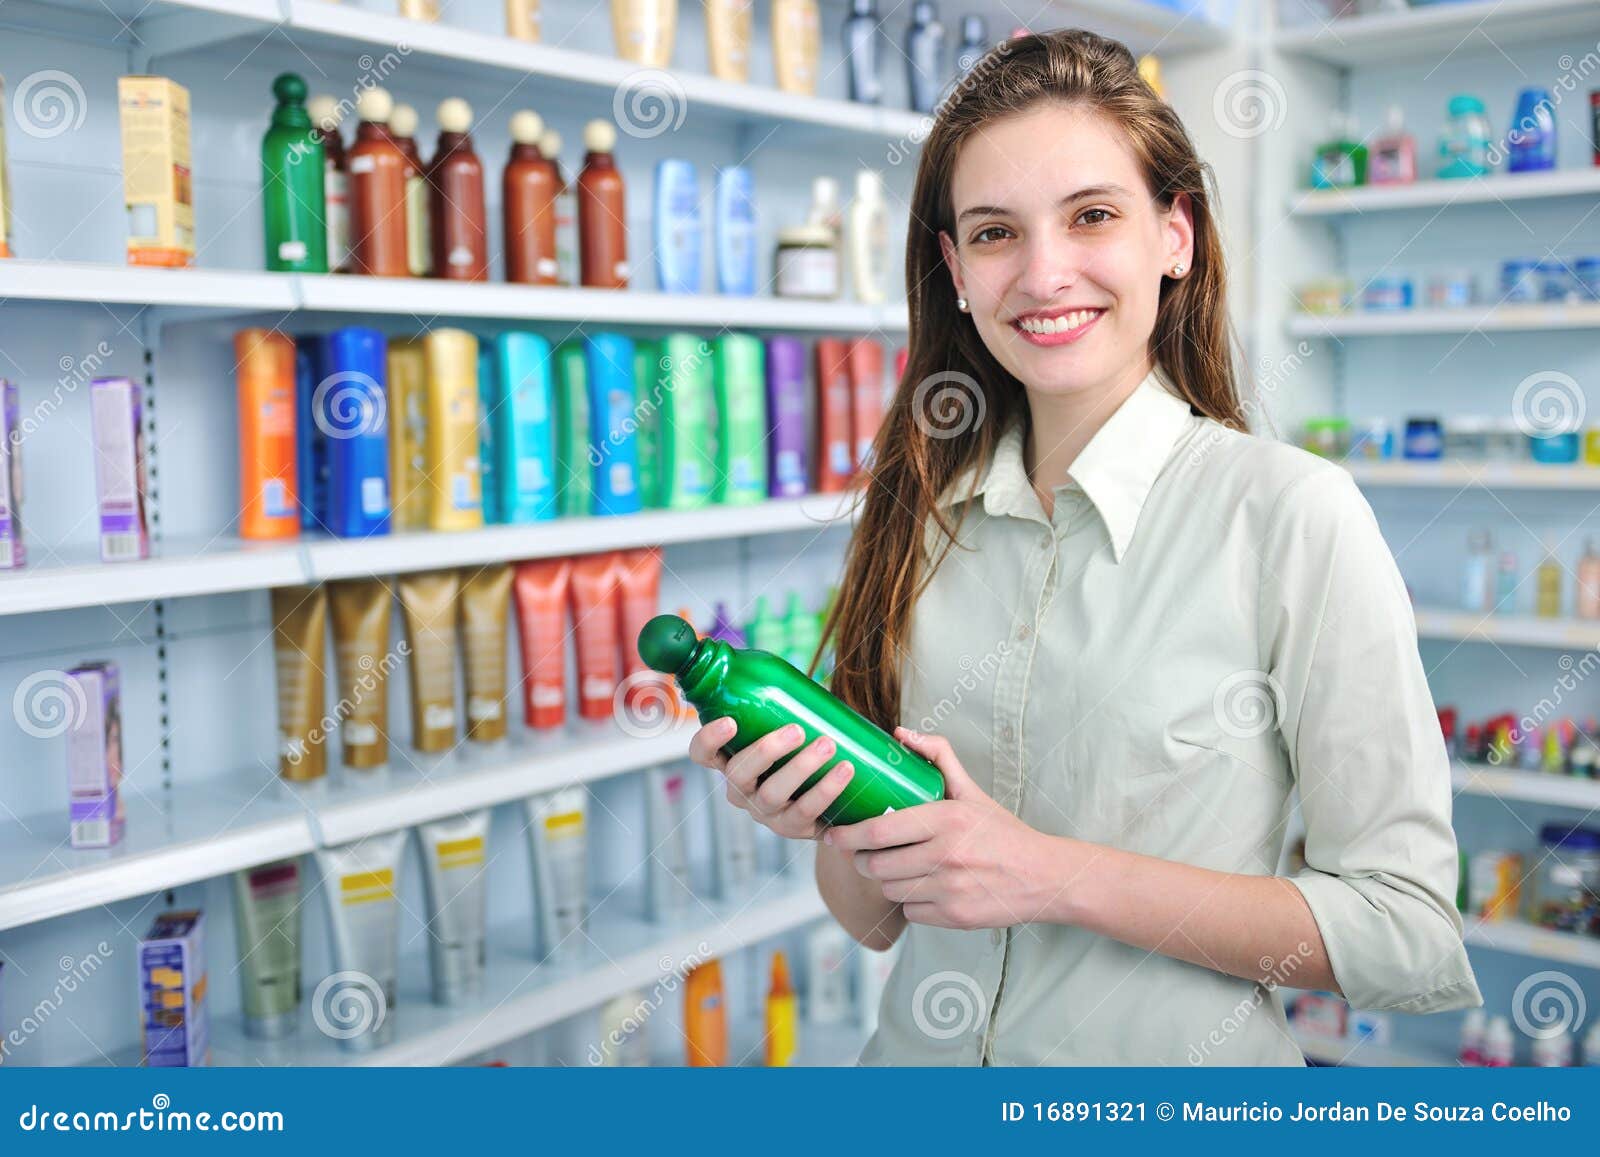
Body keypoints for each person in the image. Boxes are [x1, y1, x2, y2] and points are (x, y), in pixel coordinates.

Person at [688, 28, 1479, 1065]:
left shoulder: (1291, 515)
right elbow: (874, 917)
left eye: (1092, 215)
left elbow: (1406, 931)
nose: (1042, 271)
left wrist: (1051, 873)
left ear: (1175, 234)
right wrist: (827, 808)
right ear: (956, 270)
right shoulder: (916, 510)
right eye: (993, 232)